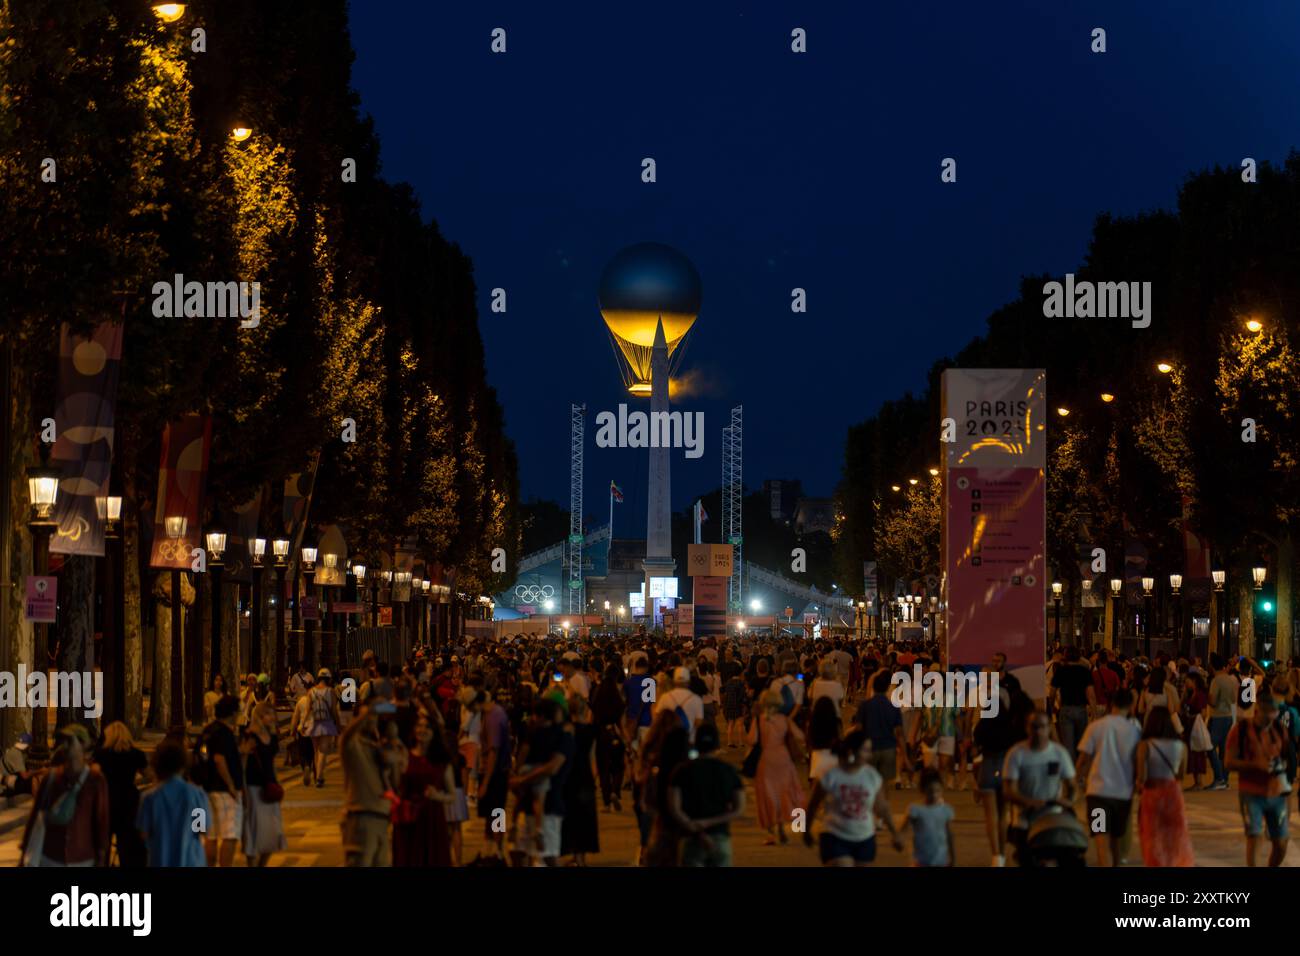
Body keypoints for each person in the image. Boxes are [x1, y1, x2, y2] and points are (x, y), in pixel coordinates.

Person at [803, 729, 903, 866]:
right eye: (865, 750)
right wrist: (806, 830)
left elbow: (882, 807)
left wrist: (895, 834)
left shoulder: (872, 776)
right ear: (851, 752)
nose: (869, 755)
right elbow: (812, 805)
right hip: (835, 836)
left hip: (864, 837)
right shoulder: (831, 776)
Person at [20, 724, 110, 867]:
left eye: (70, 741)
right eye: (63, 741)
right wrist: (25, 852)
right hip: (50, 857)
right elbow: (35, 816)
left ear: (83, 745)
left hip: (82, 858)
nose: (65, 746)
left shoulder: (95, 781)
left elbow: (101, 821)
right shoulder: (51, 778)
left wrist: (101, 854)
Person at [1076, 687, 1141, 867]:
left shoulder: (1095, 727)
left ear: (1111, 704)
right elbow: (1139, 763)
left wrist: (1073, 782)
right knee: (1116, 841)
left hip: (1097, 795)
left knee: (1100, 841)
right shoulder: (1134, 731)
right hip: (1123, 795)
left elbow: (1083, 760)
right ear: (1131, 705)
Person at [1002, 710, 1076, 866]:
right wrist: (1029, 802)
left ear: (1049, 728)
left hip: (1052, 816)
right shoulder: (1016, 754)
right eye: (1034, 727)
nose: (1038, 731)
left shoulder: (1059, 753)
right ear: (1026, 728)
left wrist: (1067, 801)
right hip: (1024, 818)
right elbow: (1009, 790)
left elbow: (1072, 785)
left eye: (1042, 727)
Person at [667, 721, 744, 866]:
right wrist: (709, 822)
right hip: (719, 837)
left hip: (691, 836)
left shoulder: (682, 771)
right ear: (716, 744)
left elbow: (674, 807)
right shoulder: (728, 771)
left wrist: (692, 825)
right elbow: (739, 808)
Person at [1225, 692, 1289, 867]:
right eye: (1267, 714)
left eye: (1273, 714)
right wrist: (1255, 765)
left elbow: (1285, 758)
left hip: (1277, 794)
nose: (1270, 719)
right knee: (1255, 836)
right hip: (1251, 793)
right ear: (1258, 710)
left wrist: (1280, 769)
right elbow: (1229, 762)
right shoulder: (1240, 730)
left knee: (1281, 843)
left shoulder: (1279, 729)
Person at [135, 738, 210, 867]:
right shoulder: (197, 795)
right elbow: (202, 829)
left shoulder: (149, 798)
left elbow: (144, 833)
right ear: (183, 764)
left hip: (160, 859)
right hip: (191, 860)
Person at [392, 713, 454, 867]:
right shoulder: (404, 755)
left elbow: (452, 795)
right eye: (419, 726)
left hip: (432, 819)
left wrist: (437, 796)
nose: (422, 730)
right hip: (408, 819)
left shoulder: (442, 760)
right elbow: (395, 786)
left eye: (427, 727)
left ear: (434, 732)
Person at [1136, 705, 1193, 866]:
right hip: (1173, 793)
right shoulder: (1181, 746)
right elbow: (1181, 775)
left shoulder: (1145, 745)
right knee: (1175, 834)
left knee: (1153, 835)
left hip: (1152, 793)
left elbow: (1142, 776)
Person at [340, 701, 393, 867]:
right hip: (361, 817)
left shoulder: (378, 748)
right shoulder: (351, 746)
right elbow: (346, 736)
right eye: (367, 717)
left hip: (382, 818)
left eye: (374, 717)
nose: (372, 720)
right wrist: (366, 713)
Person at [752, 689, 806, 846]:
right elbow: (800, 736)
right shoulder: (784, 719)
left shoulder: (759, 720)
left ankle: (770, 833)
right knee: (785, 792)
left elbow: (751, 740)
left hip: (766, 760)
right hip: (783, 759)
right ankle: (784, 826)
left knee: (768, 795)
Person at [196, 694, 244, 867]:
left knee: (209, 834)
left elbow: (201, 756)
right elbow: (219, 759)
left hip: (203, 790)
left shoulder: (206, 731)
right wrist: (231, 786)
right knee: (230, 834)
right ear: (231, 713)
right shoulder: (225, 733)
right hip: (223, 791)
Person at [94, 721, 149, 868]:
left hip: (107, 801)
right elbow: (149, 774)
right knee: (127, 844)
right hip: (129, 802)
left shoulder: (101, 754)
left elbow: (93, 775)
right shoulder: (136, 754)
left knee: (103, 842)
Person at [242, 700, 286, 866]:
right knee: (253, 830)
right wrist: (243, 789)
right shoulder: (249, 735)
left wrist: (277, 783)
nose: (272, 717)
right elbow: (243, 763)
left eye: (272, 713)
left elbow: (271, 762)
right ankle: (251, 864)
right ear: (260, 716)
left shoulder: (273, 736)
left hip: (269, 785)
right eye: (268, 713)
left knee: (273, 831)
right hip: (253, 786)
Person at [561, 695, 600, 865]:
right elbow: (593, 757)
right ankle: (581, 857)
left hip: (569, 775)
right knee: (585, 818)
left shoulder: (566, 729)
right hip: (585, 775)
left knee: (571, 816)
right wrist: (594, 778)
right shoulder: (590, 730)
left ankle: (575, 854)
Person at [852, 670, 909, 788]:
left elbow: (858, 728)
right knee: (883, 785)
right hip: (888, 749)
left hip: (870, 748)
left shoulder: (865, 705)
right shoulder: (893, 707)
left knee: (869, 783)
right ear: (888, 687)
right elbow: (899, 733)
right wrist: (905, 756)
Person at [903, 768, 956, 866]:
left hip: (940, 859)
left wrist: (953, 857)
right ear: (922, 790)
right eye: (931, 791)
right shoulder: (915, 810)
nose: (934, 795)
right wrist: (899, 839)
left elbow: (949, 835)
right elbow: (903, 829)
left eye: (938, 791)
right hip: (920, 859)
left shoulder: (946, 810)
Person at [1051, 645, 1092, 759]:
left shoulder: (1061, 671)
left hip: (1066, 708)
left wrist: (1050, 707)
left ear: (1065, 656)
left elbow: (1052, 691)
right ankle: (1080, 770)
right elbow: (1090, 693)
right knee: (1081, 743)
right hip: (1081, 709)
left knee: (1068, 744)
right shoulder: (1084, 671)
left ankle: (1070, 772)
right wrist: (1093, 711)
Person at [1206, 653, 1239, 790]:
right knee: (1225, 750)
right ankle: (1224, 779)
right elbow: (1233, 699)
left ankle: (1219, 777)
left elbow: (1213, 701)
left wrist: (1206, 697)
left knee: (1209, 746)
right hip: (1229, 716)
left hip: (1217, 716)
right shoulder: (1231, 680)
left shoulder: (1216, 680)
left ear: (1212, 666)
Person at [655, 667, 705, 742]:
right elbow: (699, 723)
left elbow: (657, 718)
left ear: (674, 681)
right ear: (688, 682)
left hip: (669, 740)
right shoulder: (696, 699)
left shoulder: (665, 697)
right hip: (689, 740)